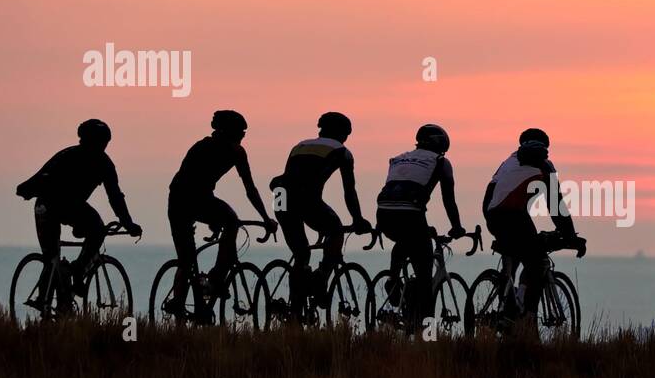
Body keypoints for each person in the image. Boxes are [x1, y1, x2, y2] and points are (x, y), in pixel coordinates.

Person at [15, 118, 142, 309]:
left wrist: (127, 222)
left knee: (59, 252)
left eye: (104, 144)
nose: (101, 148)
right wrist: (128, 223)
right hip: (54, 206)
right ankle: (59, 285)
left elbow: (115, 196)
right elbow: (42, 177)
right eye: (99, 143)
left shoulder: (101, 163)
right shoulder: (73, 156)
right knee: (60, 251)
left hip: (65, 206)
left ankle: (67, 283)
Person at [163, 110, 277, 317]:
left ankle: (213, 282)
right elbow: (189, 187)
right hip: (182, 200)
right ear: (226, 132)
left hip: (200, 198)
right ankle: (182, 300)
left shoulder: (237, 152)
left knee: (228, 224)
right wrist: (213, 219)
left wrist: (265, 217)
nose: (243, 137)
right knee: (188, 258)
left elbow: (250, 188)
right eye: (240, 133)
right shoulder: (202, 148)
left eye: (244, 133)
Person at [482, 128, 585, 317]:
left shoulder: (507, 162)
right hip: (516, 217)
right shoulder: (545, 166)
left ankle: (507, 310)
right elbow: (556, 206)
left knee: (515, 255)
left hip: (493, 216)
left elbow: (489, 197)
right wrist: (571, 236)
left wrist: (494, 227)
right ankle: (526, 316)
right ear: (546, 149)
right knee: (536, 264)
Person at [270, 112, 370, 306]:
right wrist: (358, 219)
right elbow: (349, 191)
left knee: (301, 254)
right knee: (335, 229)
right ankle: (322, 277)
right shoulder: (342, 151)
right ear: (344, 133)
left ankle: (295, 310)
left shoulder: (300, 145)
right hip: (306, 199)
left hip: (280, 199)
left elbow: (289, 177)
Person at [375, 124, 464, 330]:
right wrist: (457, 226)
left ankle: (394, 279)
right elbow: (448, 199)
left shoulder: (398, 158)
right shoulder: (441, 162)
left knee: (405, 239)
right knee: (424, 276)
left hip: (384, 213)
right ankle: (426, 333)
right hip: (410, 214)